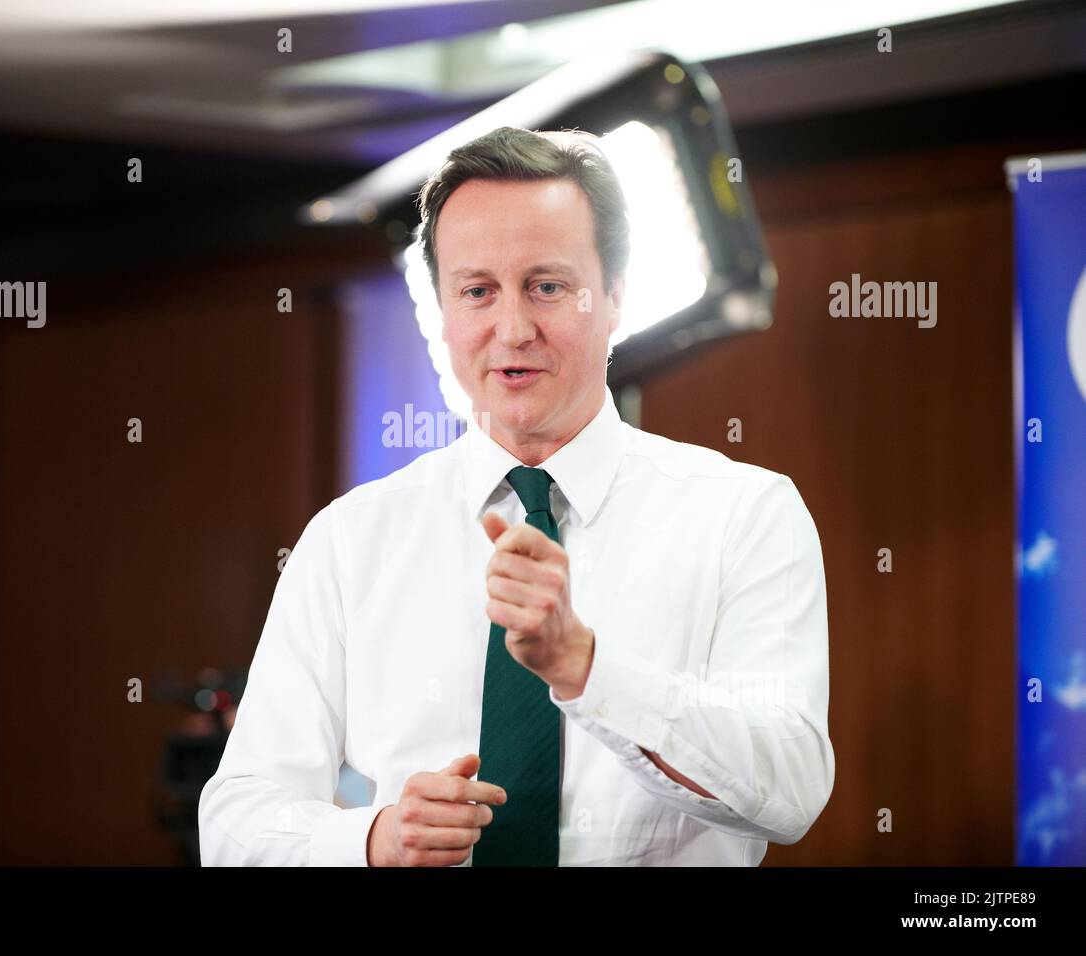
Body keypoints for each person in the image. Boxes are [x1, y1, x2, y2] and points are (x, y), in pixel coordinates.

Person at [198, 126, 834, 866]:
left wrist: (585, 667)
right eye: (477, 292)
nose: (513, 329)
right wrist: (373, 838)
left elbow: (791, 791)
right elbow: (235, 824)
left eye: (547, 286)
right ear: (441, 311)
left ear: (617, 297)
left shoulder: (745, 515)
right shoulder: (350, 539)